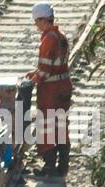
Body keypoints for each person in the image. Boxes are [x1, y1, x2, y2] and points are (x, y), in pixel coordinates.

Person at [25, 2, 72, 176]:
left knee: (46, 125)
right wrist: (35, 72)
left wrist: (32, 80)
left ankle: (50, 165)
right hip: (64, 86)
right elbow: (55, 65)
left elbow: (45, 70)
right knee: (61, 124)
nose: (36, 25)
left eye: (37, 21)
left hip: (51, 90)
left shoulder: (48, 38)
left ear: (43, 19)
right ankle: (63, 166)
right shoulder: (61, 36)